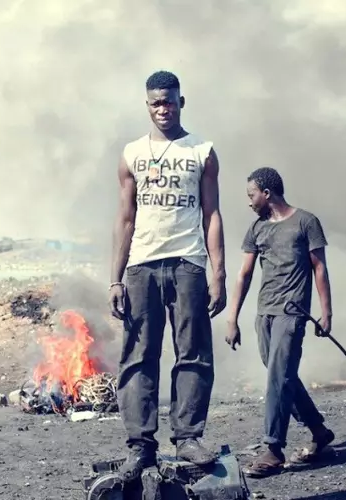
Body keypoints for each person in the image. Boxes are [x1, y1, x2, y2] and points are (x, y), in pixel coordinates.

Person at [108, 70, 227, 481]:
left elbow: (211, 214)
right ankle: (140, 445)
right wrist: (115, 278)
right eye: (156, 102)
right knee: (138, 356)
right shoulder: (131, 154)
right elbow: (125, 218)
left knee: (193, 353)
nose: (164, 108)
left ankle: (188, 437)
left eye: (170, 100)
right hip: (142, 266)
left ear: (181, 101)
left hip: (188, 264)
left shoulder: (202, 151)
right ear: (147, 105)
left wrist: (219, 273)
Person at [225, 167, 336, 478]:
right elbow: (244, 275)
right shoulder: (257, 228)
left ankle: (273, 448)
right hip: (265, 314)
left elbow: (320, 269)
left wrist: (326, 313)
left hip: (292, 312)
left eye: (251, 195)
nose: (249, 202)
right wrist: (232, 319)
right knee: (282, 375)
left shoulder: (306, 222)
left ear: (267, 194)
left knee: (278, 375)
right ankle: (319, 431)